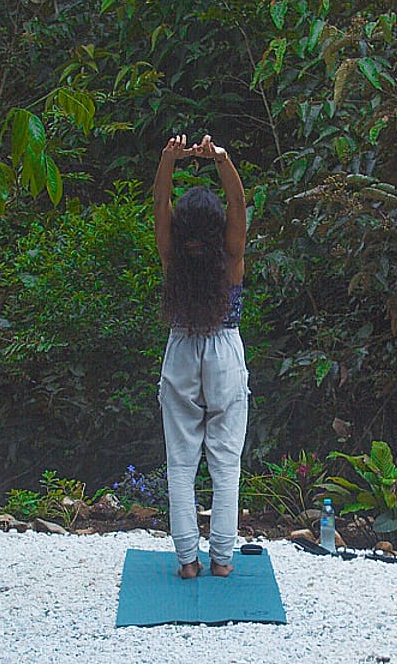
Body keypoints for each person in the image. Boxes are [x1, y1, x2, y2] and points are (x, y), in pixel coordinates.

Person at [153, 133, 248, 579]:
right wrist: (222, 159)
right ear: (216, 228)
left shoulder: (172, 256)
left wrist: (169, 160)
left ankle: (188, 561)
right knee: (225, 463)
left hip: (182, 348)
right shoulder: (231, 257)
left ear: (181, 228)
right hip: (225, 348)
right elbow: (237, 203)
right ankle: (223, 560)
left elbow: (159, 205)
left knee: (182, 462)